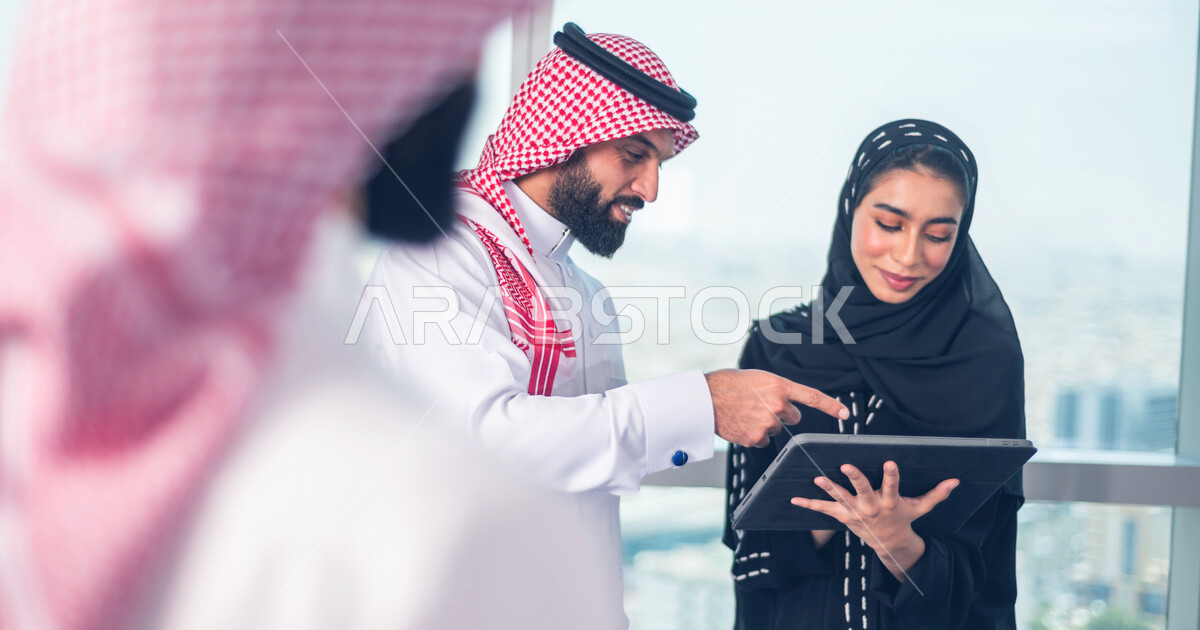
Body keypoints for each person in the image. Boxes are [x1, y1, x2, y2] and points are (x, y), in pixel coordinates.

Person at [0, 1, 628, 629]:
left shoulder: (31, 416)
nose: (467, 71)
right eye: (446, 51)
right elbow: (506, 438)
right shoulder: (455, 529)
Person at [364, 22, 850, 606]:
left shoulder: (583, 291)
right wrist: (704, 402)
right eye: (633, 155)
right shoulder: (441, 251)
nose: (650, 189)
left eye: (660, 164)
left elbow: (592, 467)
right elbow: (490, 443)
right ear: (563, 133)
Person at [723, 119, 1026, 630]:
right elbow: (748, 544)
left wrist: (900, 542)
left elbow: (987, 561)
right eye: (889, 224)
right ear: (850, 211)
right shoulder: (779, 346)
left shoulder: (984, 359)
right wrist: (833, 514)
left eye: (938, 235)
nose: (909, 256)